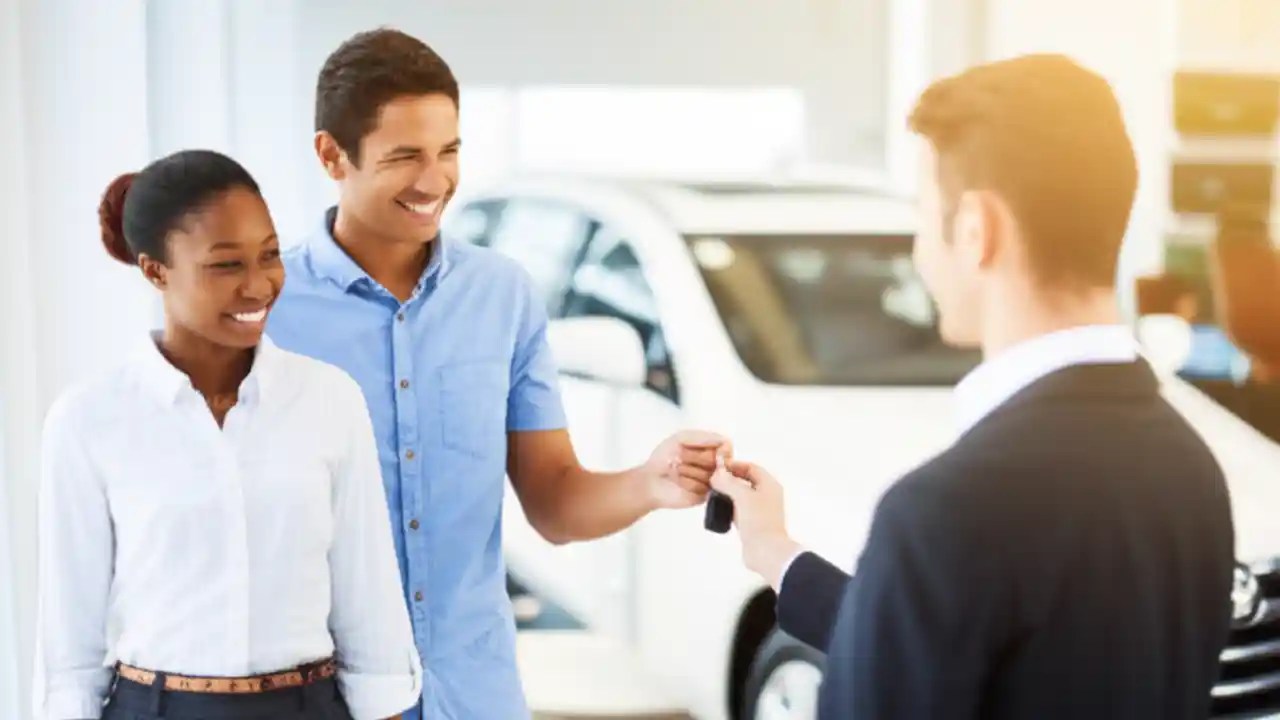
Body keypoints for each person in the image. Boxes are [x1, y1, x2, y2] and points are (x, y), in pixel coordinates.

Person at [710, 54, 1236, 719]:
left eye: (925, 218)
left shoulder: (942, 514)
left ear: (975, 230)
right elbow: (1008, 657)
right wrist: (778, 556)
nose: (919, 251)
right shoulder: (1190, 466)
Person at [266, 29, 728, 719]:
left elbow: (554, 501)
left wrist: (650, 482)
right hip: (323, 697)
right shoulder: (268, 311)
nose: (435, 181)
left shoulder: (503, 296)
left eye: (448, 151)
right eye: (404, 157)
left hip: (474, 695)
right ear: (332, 155)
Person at [34, 150, 421, 720]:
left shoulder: (329, 400)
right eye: (225, 265)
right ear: (155, 271)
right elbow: (68, 650)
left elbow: (370, 607)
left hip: (309, 705)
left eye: (268, 256)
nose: (258, 285)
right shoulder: (89, 419)